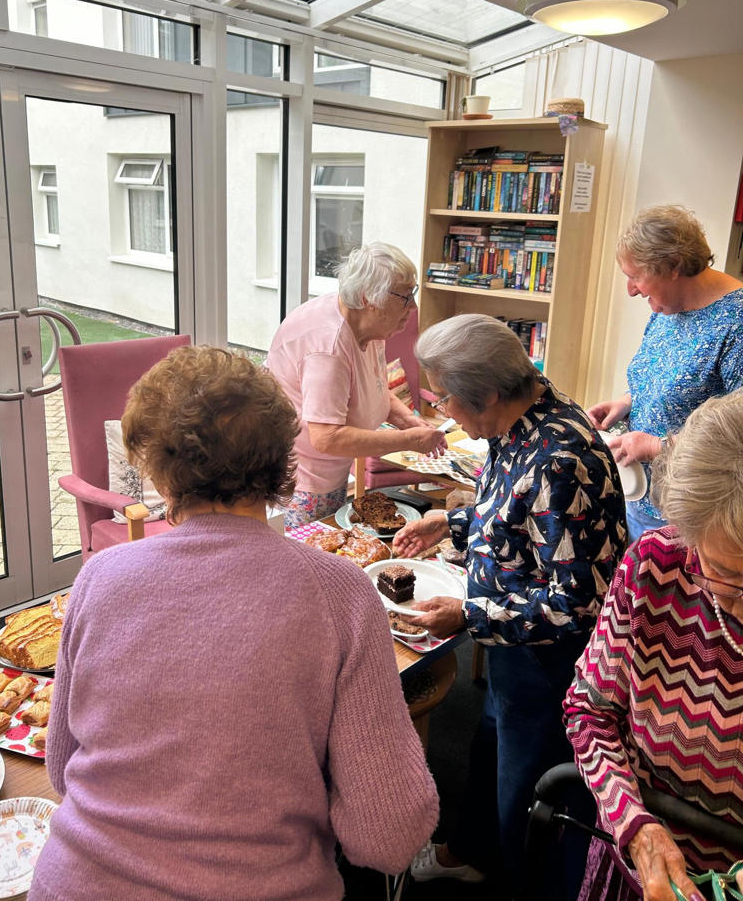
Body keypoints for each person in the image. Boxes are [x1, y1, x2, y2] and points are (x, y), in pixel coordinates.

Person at [29, 346, 439, 901]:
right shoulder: (341, 593)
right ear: (281, 457)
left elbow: (61, 771)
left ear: (157, 467)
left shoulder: (98, 579)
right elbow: (388, 837)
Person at [391, 314, 627, 897]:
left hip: (547, 656)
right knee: (493, 744)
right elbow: (517, 513)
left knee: (530, 787)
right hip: (512, 640)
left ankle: (521, 883)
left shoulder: (561, 459)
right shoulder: (522, 415)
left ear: (490, 392)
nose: (442, 409)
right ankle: (470, 851)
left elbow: (577, 604)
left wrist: (468, 616)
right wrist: (450, 520)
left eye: (445, 398)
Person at [564, 389, 743, 901]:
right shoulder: (658, 566)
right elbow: (589, 713)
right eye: (727, 576)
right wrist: (636, 826)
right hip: (636, 871)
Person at [586, 205, 743, 541]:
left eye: (636, 276)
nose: (631, 290)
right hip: (638, 496)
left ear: (673, 267)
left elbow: (736, 441)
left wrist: (657, 446)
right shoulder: (669, 306)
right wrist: (626, 401)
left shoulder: (736, 323)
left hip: (687, 518)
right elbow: (670, 378)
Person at [266, 242, 446, 529]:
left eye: (413, 293)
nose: (413, 307)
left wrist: (407, 420)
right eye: (404, 296)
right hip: (301, 483)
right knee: (312, 561)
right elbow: (327, 437)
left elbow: (372, 387)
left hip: (330, 472)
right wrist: (410, 440)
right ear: (367, 298)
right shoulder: (328, 348)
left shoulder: (369, 325)